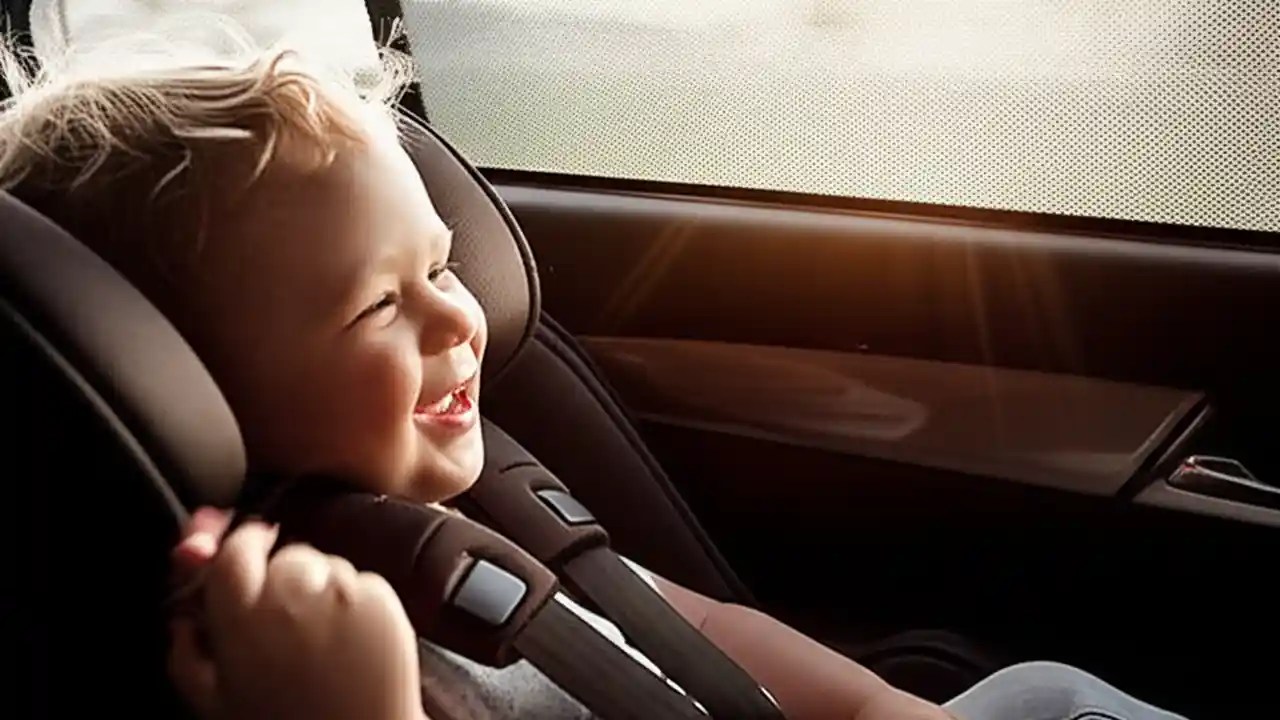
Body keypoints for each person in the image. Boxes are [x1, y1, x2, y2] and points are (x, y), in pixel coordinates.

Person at [0, 26, 1188, 720]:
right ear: (181, 380)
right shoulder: (264, 651)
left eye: (442, 267)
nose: (457, 321)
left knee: (1041, 694)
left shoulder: (470, 512)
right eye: (377, 303)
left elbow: (694, 633)